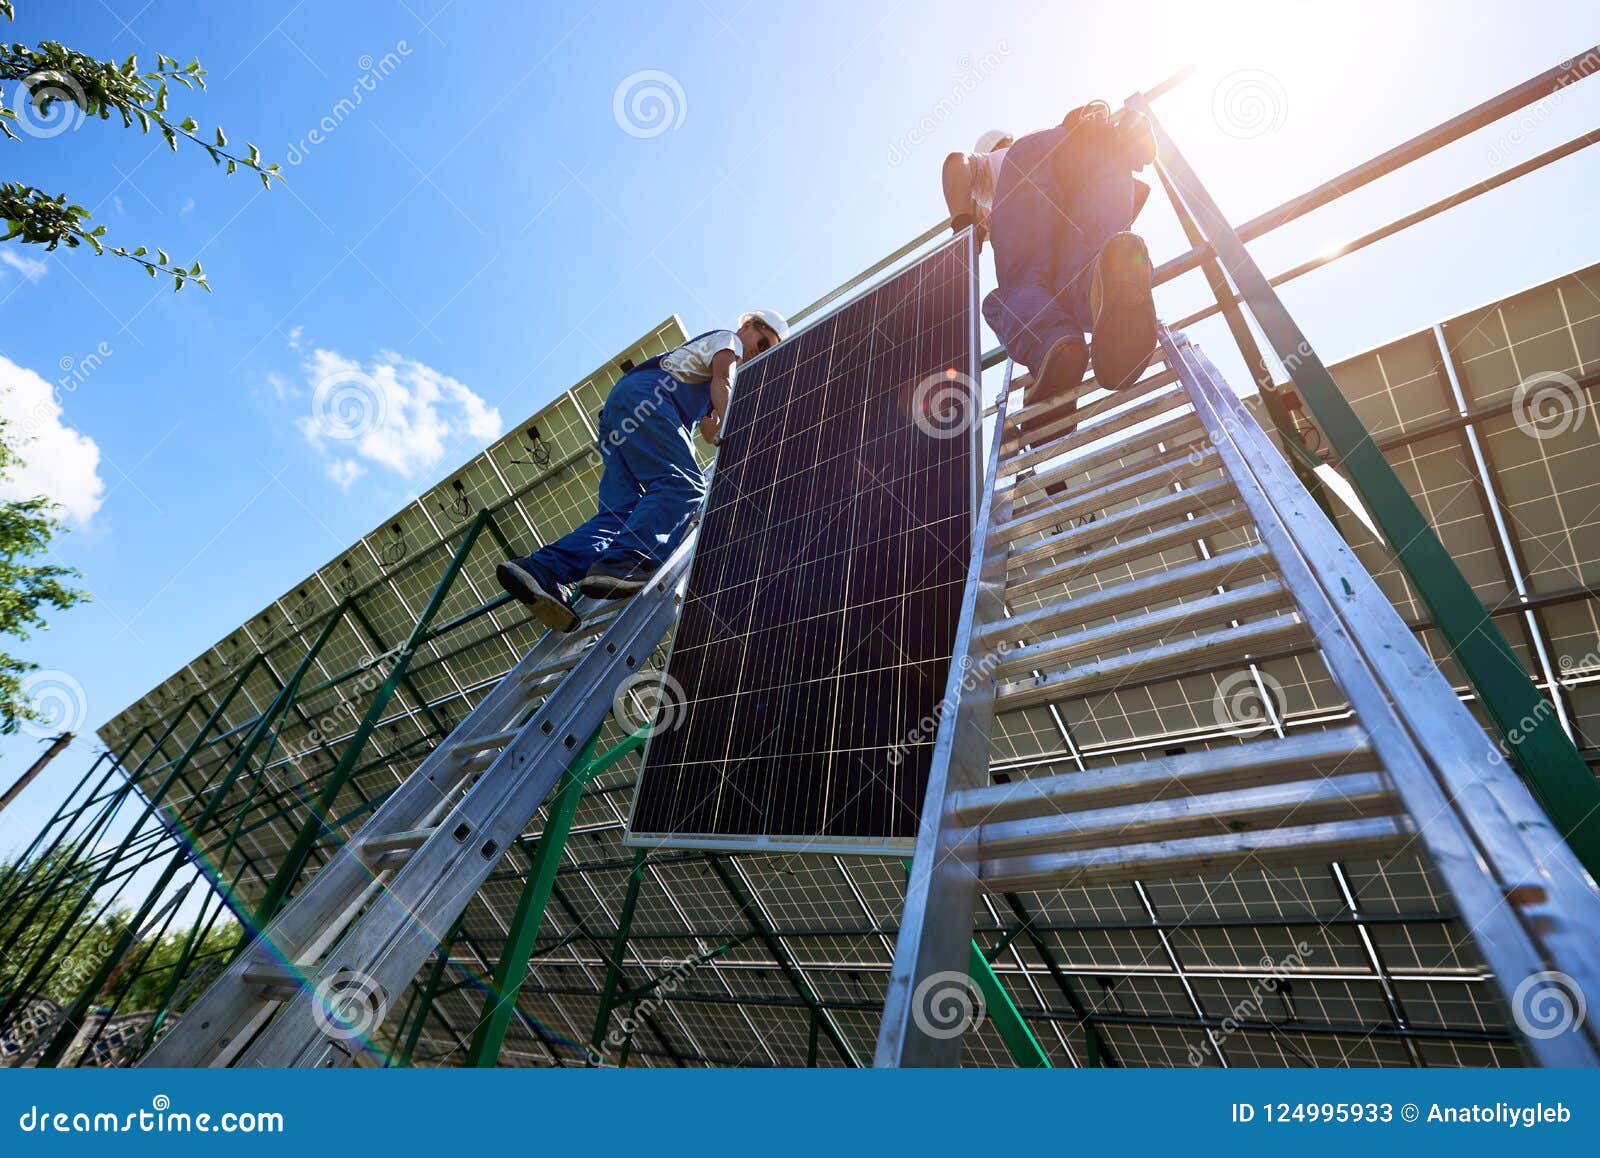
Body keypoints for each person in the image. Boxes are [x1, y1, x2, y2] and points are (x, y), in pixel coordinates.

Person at [496, 310, 789, 632]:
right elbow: (724, 382)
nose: (758, 352)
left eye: (766, 351)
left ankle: (543, 569)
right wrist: (749, 428)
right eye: (762, 342)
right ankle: (627, 561)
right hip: (649, 401)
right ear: (747, 326)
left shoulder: (706, 377)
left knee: (621, 512)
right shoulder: (727, 342)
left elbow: (709, 431)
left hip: (621, 414)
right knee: (685, 487)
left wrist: (722, 430)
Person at [979, 102, 1159, 411]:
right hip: (1102, 153)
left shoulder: (1001, 161)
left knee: (1014, 289)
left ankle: (1054, 342)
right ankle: (1107, 282)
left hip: (1034, 166)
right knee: (1092, 256)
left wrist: (962, 223)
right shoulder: (1070, 134)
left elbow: (956, 164)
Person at [942, 128, 1013, 251]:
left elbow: (956, 160)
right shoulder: (1034, 143)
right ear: (1007, 142)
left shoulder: (992, 166)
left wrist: (963, 223)